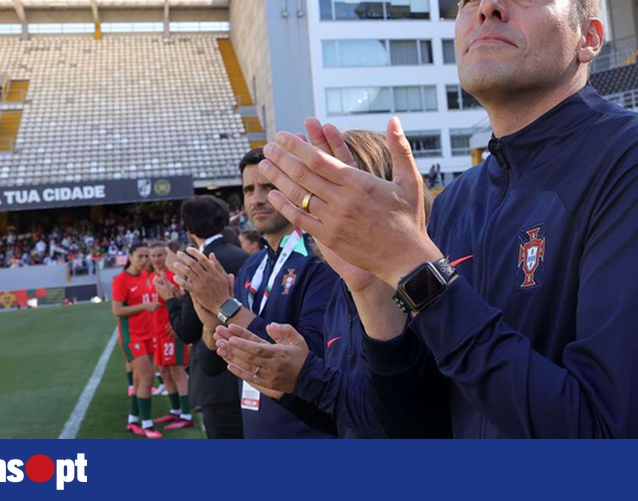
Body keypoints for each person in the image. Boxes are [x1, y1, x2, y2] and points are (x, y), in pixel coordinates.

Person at [251, 0, 638, 438]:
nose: (488, 6)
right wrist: (370, 288)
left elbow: (596, 431)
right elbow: (418, 435)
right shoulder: (458, 201)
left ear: (588, 38)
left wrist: (413, 268)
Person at [214, 129, 439, 438]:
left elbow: (416, 424)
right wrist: (292, 385)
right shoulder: (342, 287)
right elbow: (348, 415)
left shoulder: (431, 293)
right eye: (314, 196)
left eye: (330, 195)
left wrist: (223, 305)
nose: (258, 199)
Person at [174, 148, 339, 439]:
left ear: (294, 189)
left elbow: (309, 359)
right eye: (249, 189)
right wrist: (213, 323)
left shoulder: (321, 261)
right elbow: (214, 367)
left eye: (269, 187)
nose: (256, 199)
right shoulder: (252, 266)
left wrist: (224, 305)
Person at [163, 195, 248, 439]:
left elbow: (187, 330)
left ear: (188, 229)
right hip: (253, 375)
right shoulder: (245, 256)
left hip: (217, 380)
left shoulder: (198, 264)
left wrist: (170, 298)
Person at [111, 243, 162, 439]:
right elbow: (117, 310)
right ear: (130, 257)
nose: (144, 260)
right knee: (147, 378)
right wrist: (144, 307)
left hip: (149, 334)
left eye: (146, 256)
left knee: (139, 379)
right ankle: (147, 424)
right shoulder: (121, 280)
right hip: (132, 337)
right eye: (140, 256)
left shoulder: (145, 276)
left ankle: (133, 420)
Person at [147, 240, 193, 430]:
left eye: (160, 255)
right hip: (158, 332)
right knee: (164, 371)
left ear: (168, 256)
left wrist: (178, 323)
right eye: (153, 255)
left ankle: (186, 413)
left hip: (171, 331)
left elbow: (185, 301)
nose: (156, 259)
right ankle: (175, 410)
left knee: (176, 371)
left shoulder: (174, 276)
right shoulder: (151, 276)